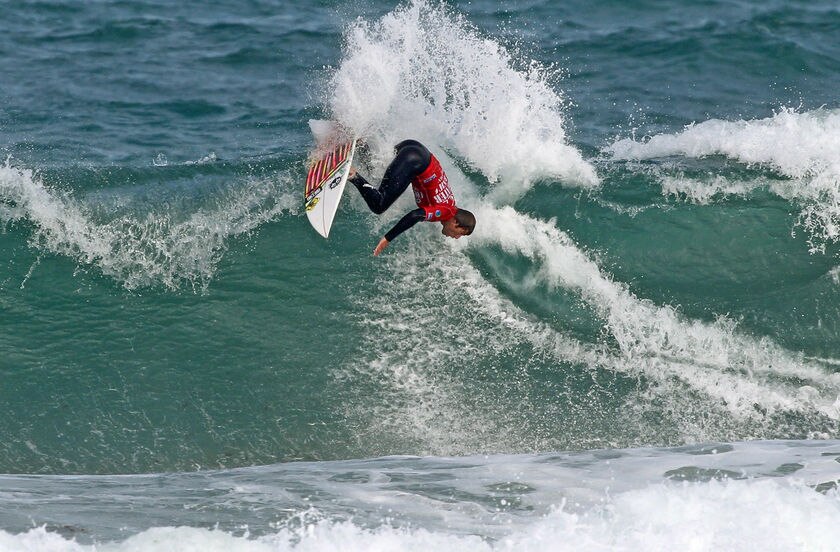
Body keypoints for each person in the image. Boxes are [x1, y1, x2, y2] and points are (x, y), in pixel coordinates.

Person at [348, 140, 476, 256]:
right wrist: (387, 239)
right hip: (413, 161)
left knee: (376, 180)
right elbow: (415, 215)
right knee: (379, 205)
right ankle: (352, 175)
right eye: (460, 233)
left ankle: (361, 144)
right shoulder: (446, 212)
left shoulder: (450, 203)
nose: (457, 237)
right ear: (455, 223)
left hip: (415, 148)